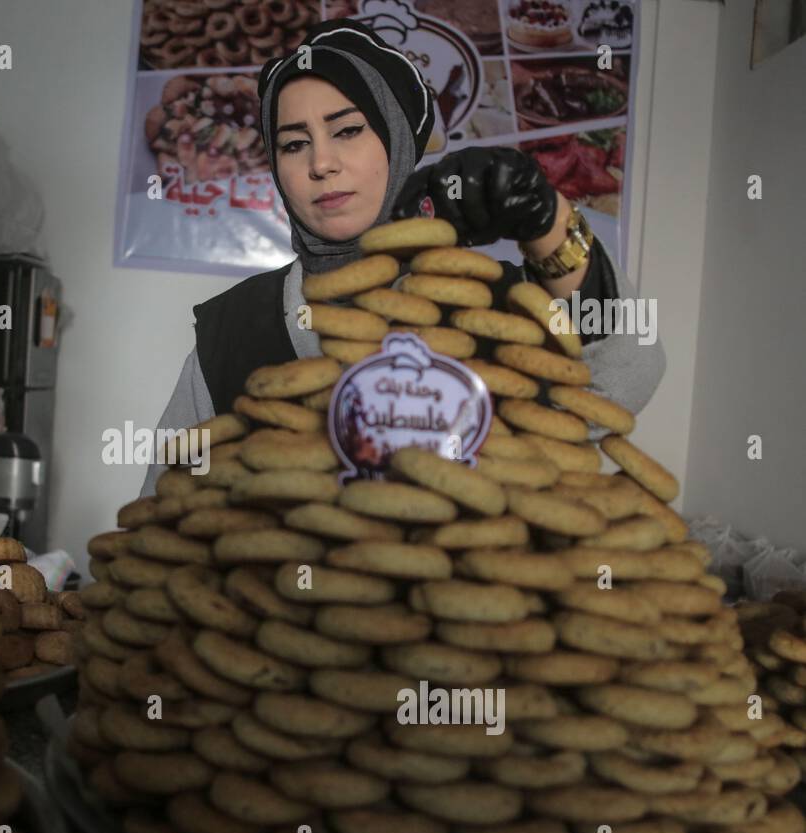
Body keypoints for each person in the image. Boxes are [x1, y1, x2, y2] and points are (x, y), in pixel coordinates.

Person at [141, 18, 664, 496]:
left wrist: (547, 221)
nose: (322, 163)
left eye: (348, 130)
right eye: (294, 144)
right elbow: (160, 510)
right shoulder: (230, 328)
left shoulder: (498, 306)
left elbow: (625, 381)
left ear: (397, 142)